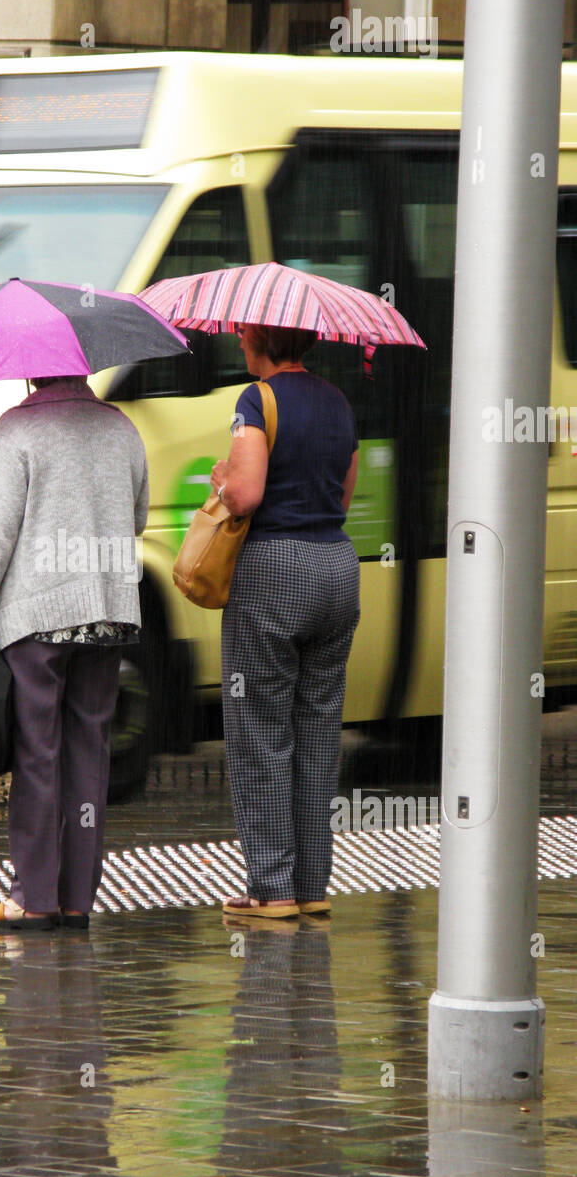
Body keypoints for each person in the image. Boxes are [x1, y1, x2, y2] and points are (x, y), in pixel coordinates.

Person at [0, 375, 148, 930]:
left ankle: (33, 897)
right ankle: (75, 899)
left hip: (36, 618)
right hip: (107, 613)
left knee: (39, 753)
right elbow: (136, 518)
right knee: (90, 749)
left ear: (31, 372)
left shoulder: (14, 431)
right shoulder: (122, 428)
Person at [211, 324, 360, 918]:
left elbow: (246, 494)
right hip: (335, 567)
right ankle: (312, 886)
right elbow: (343, 497)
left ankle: (271, 889)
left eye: (245, 332)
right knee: (318, 731)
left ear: (261, 341)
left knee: (260, 730)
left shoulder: (257, 400)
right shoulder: (338, 400)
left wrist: (222, 481)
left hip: (274, 571)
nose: (239, 340)